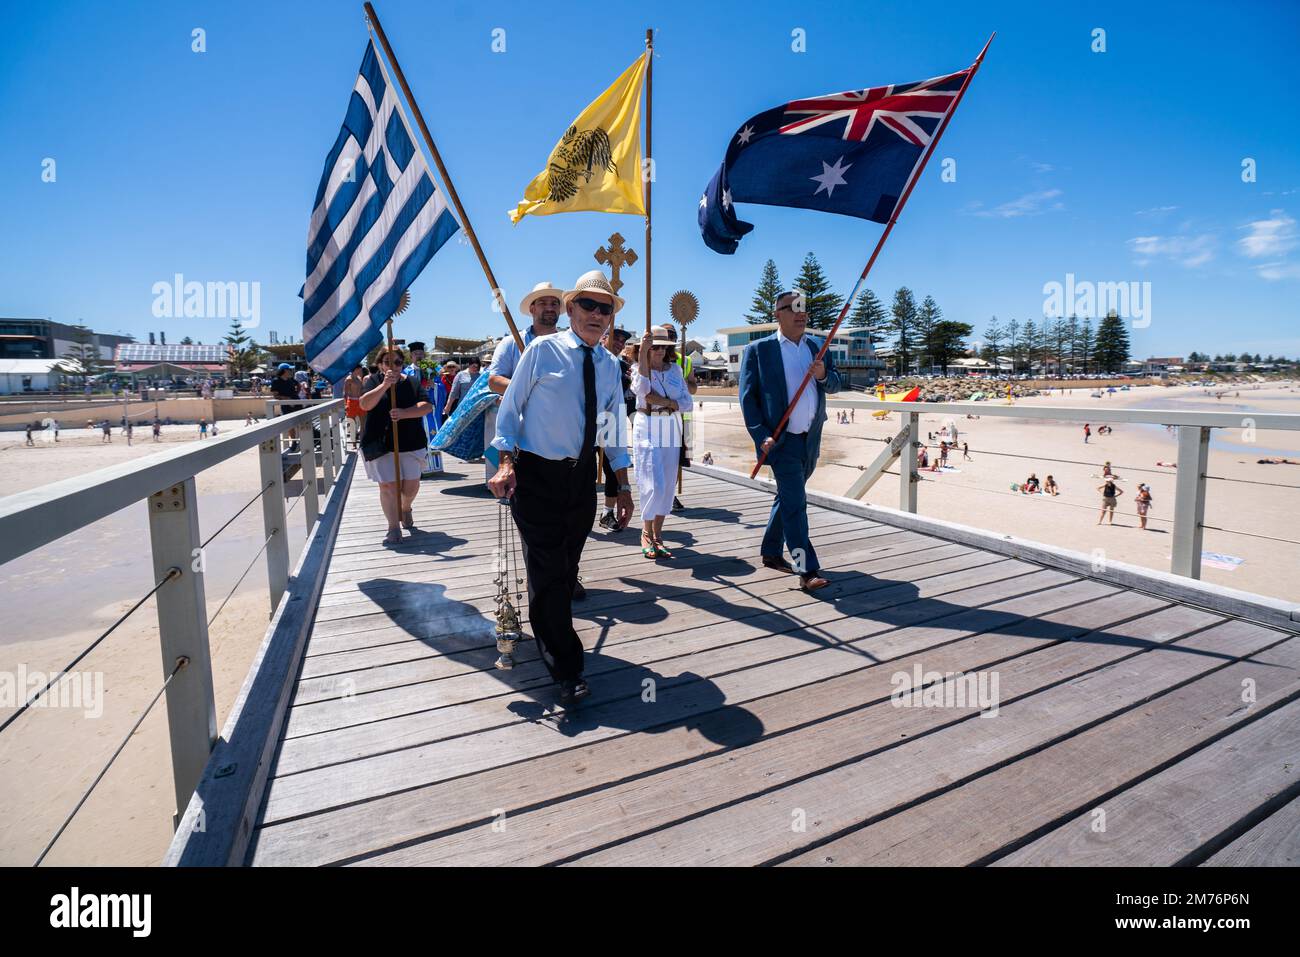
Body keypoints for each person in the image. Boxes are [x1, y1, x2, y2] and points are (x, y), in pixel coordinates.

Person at [487, 270, 634, 706]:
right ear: (570, 310)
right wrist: (505, 461)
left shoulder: (610, 367)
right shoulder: (541, 350)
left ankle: (552, 632)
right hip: (535, 475)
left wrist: (622, 488)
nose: (596, 314)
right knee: (549, 573)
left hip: (580, 478)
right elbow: (511, 411)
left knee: (565, 571)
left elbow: (612, 429)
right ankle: (566, 669)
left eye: (604, 308)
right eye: (587, 305)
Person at [739, 290, 841, 592]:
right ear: (777, 314)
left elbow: (834, 384)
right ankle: (806, 569)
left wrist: (823, 375)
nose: (801, 314)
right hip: (781, 441)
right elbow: (749, 399)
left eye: (804, 309)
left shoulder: (816, 348)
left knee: (788, 498)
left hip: (811, 440)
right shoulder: (759, 350)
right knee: (796, 504)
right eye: (793, 308)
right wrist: (761, 435)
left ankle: (771, 551)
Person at [359, 348, 434, 544]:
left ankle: (406, 507)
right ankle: (393, 527)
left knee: (411, 485)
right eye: (387, 362)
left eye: (398, 362)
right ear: (380, 364)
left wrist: (403, 413)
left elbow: (426, 406)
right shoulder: (372, 382)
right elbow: (365, 405)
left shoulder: (412, 382)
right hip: (380, 442)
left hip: (410, 441)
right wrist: (384, 386)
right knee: (387, 485)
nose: (393, 366)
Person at [632, 325, 693, 558]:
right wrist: (643, 356)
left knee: (667, 483)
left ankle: (658, 535)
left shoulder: (676, 370)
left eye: (662, 347)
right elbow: (642, 390)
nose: (658, 350)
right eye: (653, 346)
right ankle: (645, 532)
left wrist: (665, 402)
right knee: (652, 481)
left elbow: (687, 402)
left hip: (671, 426)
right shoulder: (638, 368)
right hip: (647, 425)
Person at [487, 281, 565, 395]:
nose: (549, 308)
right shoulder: (511, 342)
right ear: (532, 309)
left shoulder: (568, 344)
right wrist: (533, 389)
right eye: (542, 303)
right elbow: (494, 382)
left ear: (559, 309)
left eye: (554, 304)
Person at [597, 326, 634, 532]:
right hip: (586, 424)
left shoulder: (621, 366)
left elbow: (626, 394)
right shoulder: (592, 357)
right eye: (615, 339)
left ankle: (607, 512)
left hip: (609, 421)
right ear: (603, 339)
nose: (619, 344)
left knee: (612, 470)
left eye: (622, 341)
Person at [662, 323, 696, 512]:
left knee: (677, 460)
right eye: (666, 335)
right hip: (660, 418)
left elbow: (693, 387)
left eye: (672, 336)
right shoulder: (654, 357)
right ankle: (661, 493)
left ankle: (671, 494)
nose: (670, 338)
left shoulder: (686, 361)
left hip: (682, 417)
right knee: (660, 459)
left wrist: (683, 384)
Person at [269, 363, 302, 450]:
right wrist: (287, 399)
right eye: (289, 369)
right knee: (290, 424)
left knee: (301, 421)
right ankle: (294, 442)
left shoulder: (291, 379)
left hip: (297, 403)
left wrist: (296, 394)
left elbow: (299, 385)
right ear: (284, 371)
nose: (291, 371)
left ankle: (302, 440)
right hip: (286, 405)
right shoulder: (276, 381)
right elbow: (275, 395)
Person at [343, 365, 367, 448]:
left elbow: (361, 391)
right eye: (359, 370)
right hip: (352, 402)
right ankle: (353, 444)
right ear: (356, 369)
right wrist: (345, 404)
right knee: (352, 424)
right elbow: (345, 393)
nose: (361, 372)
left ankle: (362, 443)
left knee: (363, 424)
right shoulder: (348, 379)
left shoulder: (359, 378)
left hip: (360, 401)